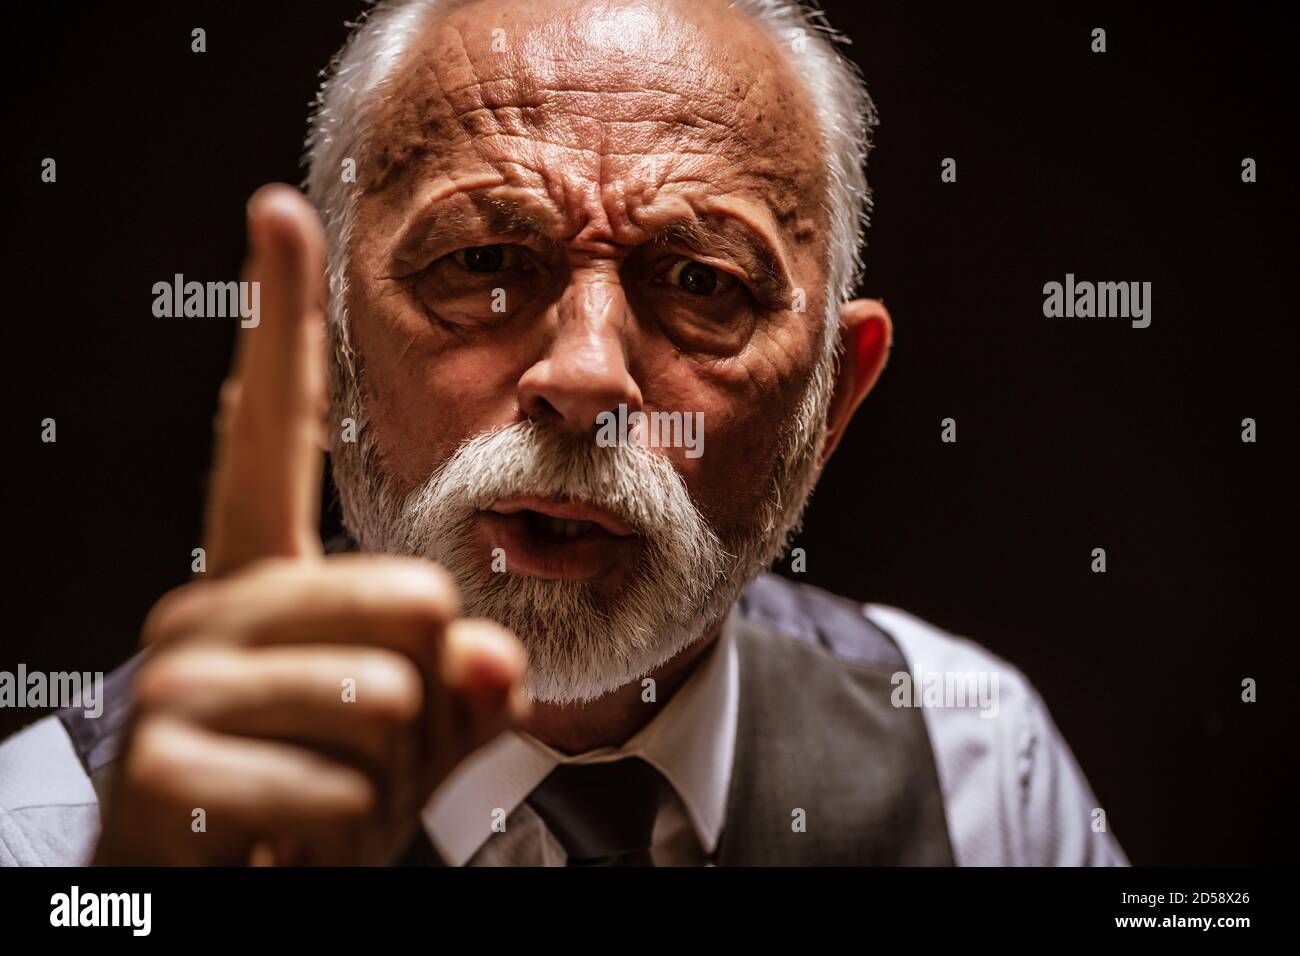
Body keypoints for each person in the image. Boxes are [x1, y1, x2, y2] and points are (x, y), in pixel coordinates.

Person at [0, 0, 1125, 866]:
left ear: (833, 399)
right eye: (483, 262)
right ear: (334, 347)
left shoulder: (978, 761)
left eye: (701, 279)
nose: (585, 378)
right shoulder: (60, 829)